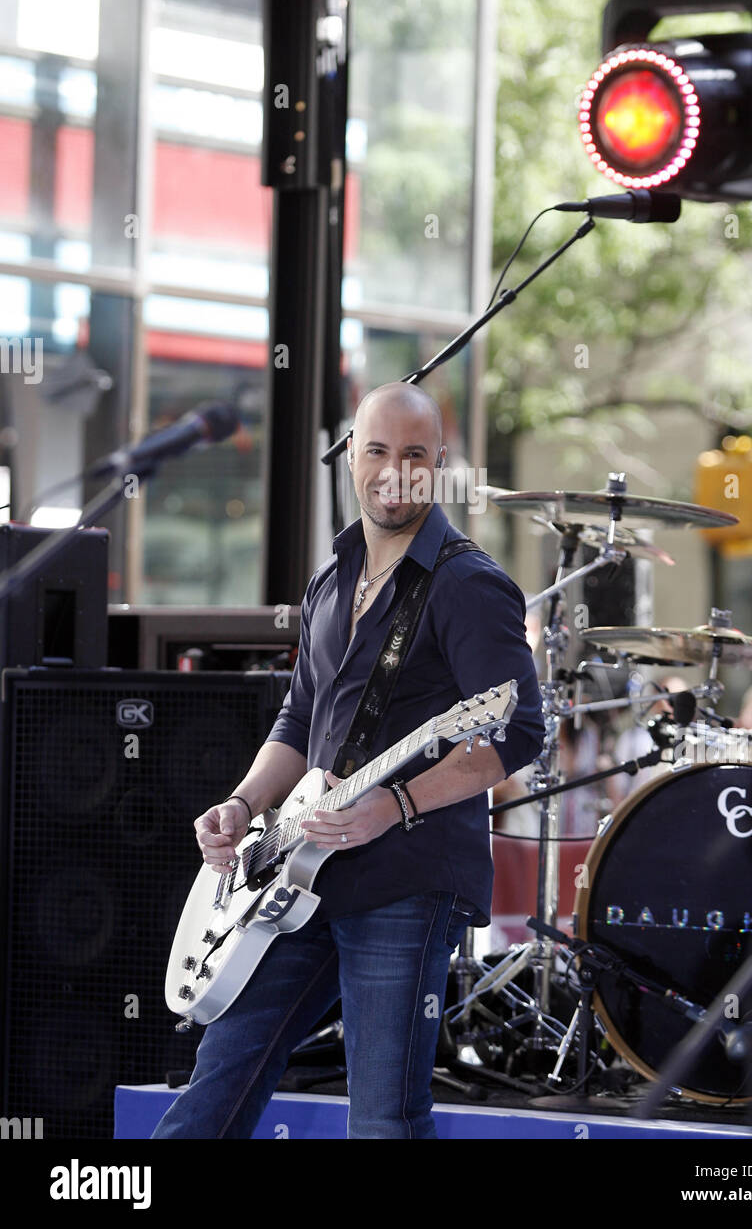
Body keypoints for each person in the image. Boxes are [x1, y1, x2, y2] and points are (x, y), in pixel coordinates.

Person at [152, 382, 544, 1139]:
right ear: (349, 458)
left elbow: (519, 729)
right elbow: (300, 721)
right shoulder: (331, 579)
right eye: (376, 451)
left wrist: (392, 806)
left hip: (405, 885)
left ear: (438, 466)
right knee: (211, 1099)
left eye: (414, 455)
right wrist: (241, 805)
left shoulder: (470, 586)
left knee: (384, 1123)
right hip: (291, 878)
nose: (393, 471)